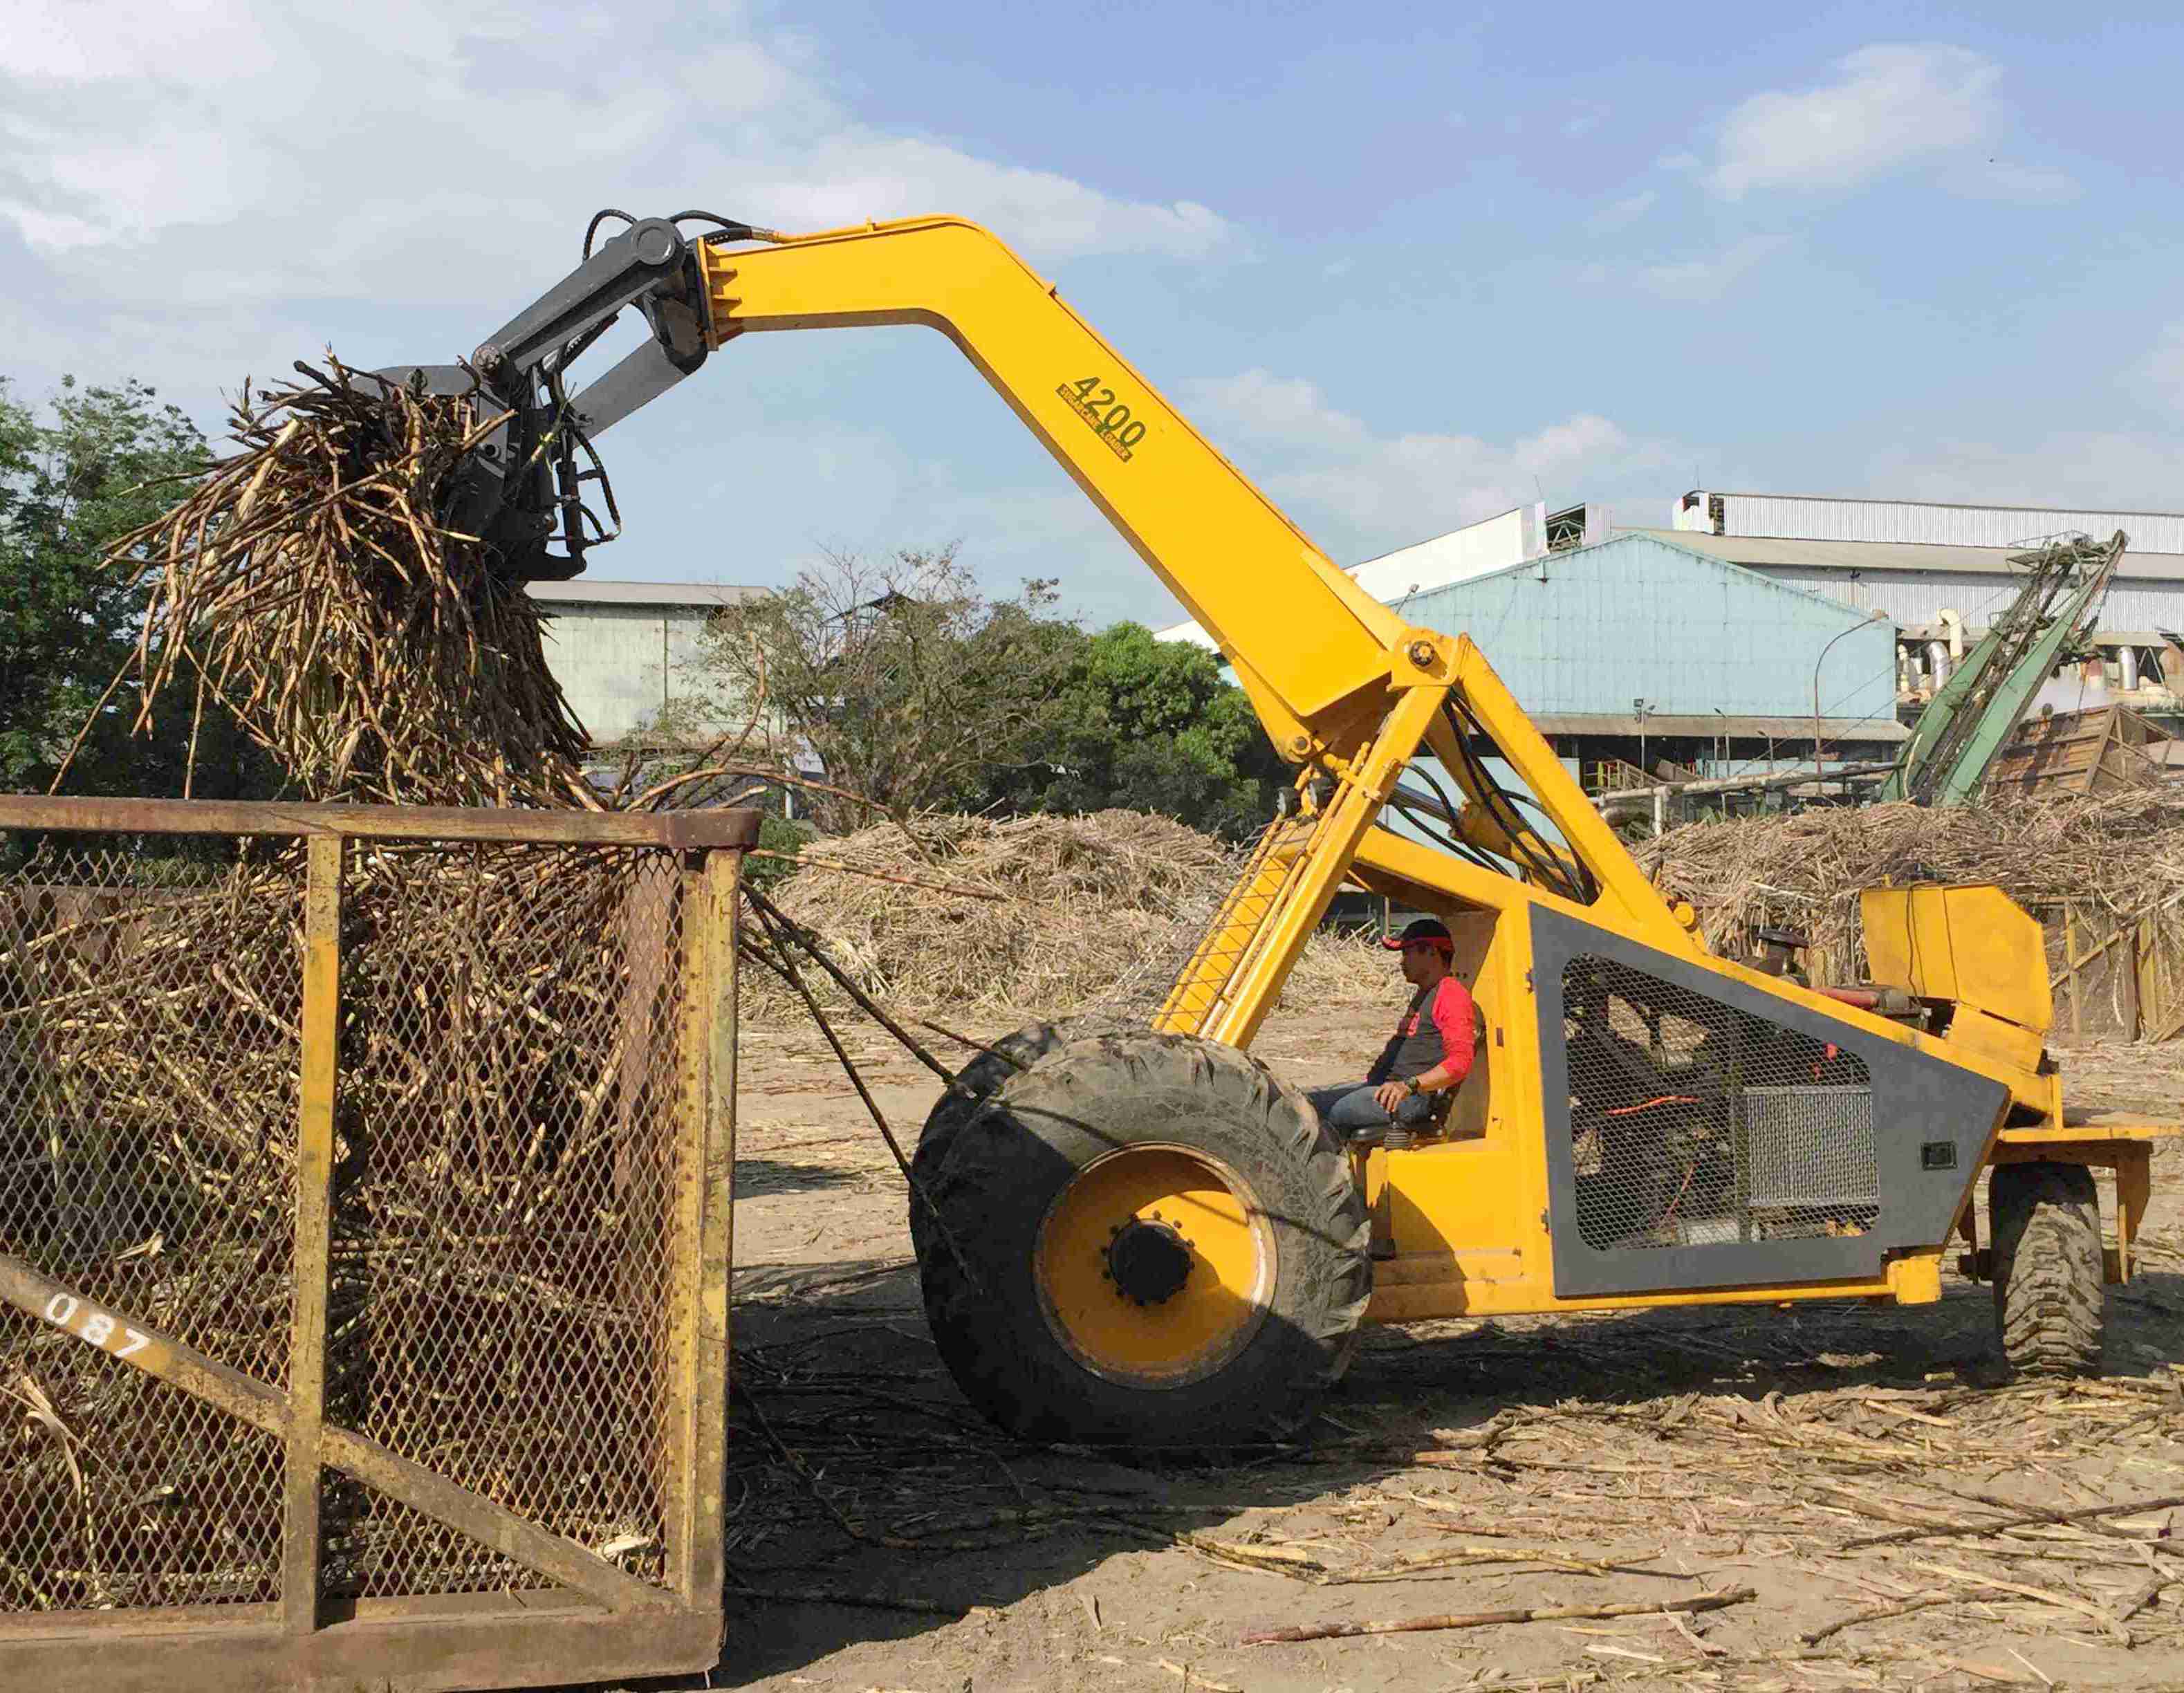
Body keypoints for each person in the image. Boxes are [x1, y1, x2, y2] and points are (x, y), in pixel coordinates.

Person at [1306, 917, 1477, 1147]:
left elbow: (1460, 1063)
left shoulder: (1451, 995)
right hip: (1388, 1091)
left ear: (1431, 952)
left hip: (1411, 1099)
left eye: (1407, 953)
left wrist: (1409, 1085)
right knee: (1304, 1104)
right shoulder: (1425, 994)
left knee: (1338, 1111)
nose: (1401, 962)